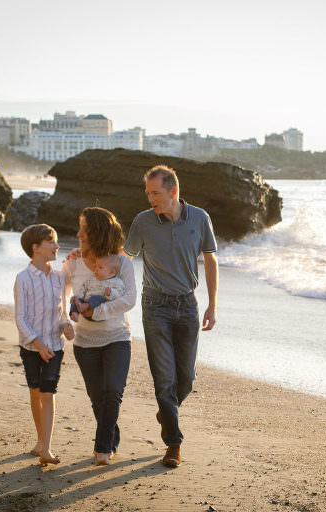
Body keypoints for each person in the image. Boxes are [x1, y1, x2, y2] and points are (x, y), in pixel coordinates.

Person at [123, 165, 218, 468]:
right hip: (155, 307)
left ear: (173, 191)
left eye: (156, 193)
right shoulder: (143, 222)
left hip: (188, 305)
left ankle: (167, 411)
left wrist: (212, 305)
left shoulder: (200, 219)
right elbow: (123, 259)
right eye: (148, 193)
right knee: (164, 379)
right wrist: (88, 264)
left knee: (186, 380)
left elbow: (210, 259)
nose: (151, 199)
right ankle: (173, 443)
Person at [63, 207, 136, 466]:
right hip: (85, 342)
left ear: (96, 232)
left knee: (113, 391)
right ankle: (111, 436)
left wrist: (98, 311)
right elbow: (61, 292)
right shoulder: (72, 261)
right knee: (98, 397)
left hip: (117, 337)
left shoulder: (122, 262)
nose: (78, 233)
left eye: (83, 229)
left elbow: (130, 299)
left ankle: (103, 448)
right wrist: (65, 320)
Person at [13, 223, 74, 465]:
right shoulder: (23, 279)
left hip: (55, 347)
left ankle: (46, 448)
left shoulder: (60, 278)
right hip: (30, 347)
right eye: (51, 241)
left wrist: (67, 326)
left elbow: (63, 310)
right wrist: (37, 344)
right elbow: (20, 318)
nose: (56, 246)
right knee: (35, 392)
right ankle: (39, 441)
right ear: (35, 248)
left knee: (48, 394)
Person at [69, 254, 127, 322]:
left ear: (111, 272)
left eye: (100, 267)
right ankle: (74, 313)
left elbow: (120, 294)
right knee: (76, 299)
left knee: (98, 298)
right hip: (85, 303)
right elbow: (83, 289)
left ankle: (84, 306)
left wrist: (111, 293)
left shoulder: (116, 282)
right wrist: (78, 296)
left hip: (97, 309)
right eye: (95, 266)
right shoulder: (92, 279)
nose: (96, 269)